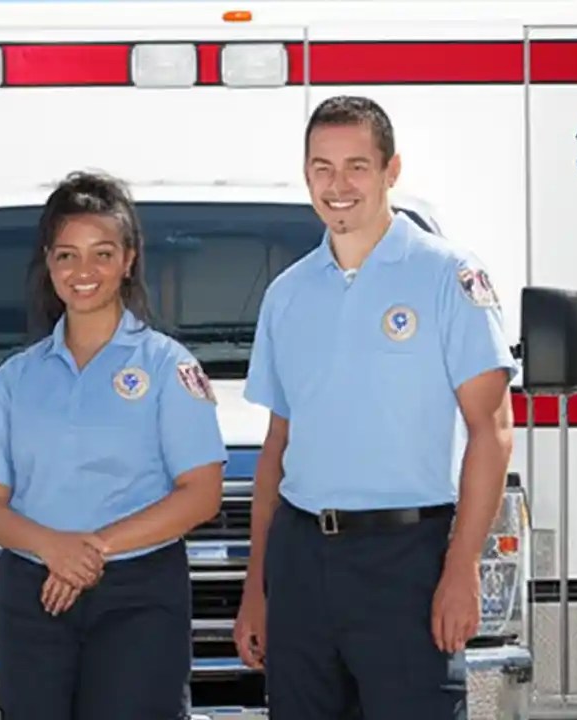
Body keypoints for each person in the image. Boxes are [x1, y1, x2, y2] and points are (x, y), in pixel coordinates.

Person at [233, 95, 517, 719]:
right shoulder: (287, 294)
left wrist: (462, 566)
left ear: (392, 170)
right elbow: (278, 447)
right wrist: (258, 586)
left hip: (407, 560)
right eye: (322, 168)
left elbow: (492, 430)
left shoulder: (447, 276)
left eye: (356, 166)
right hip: (302, 561)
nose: (338, 186)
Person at [0, 170, 228, 719]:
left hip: (139, 596)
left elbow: (202, 493)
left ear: (128, 259)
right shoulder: (16, 378)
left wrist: (90, 551)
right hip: (33, 594)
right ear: (48, 262)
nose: (83, 272)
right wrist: (52, 549)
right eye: (67, 255)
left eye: (102, 254)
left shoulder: (168, 366)